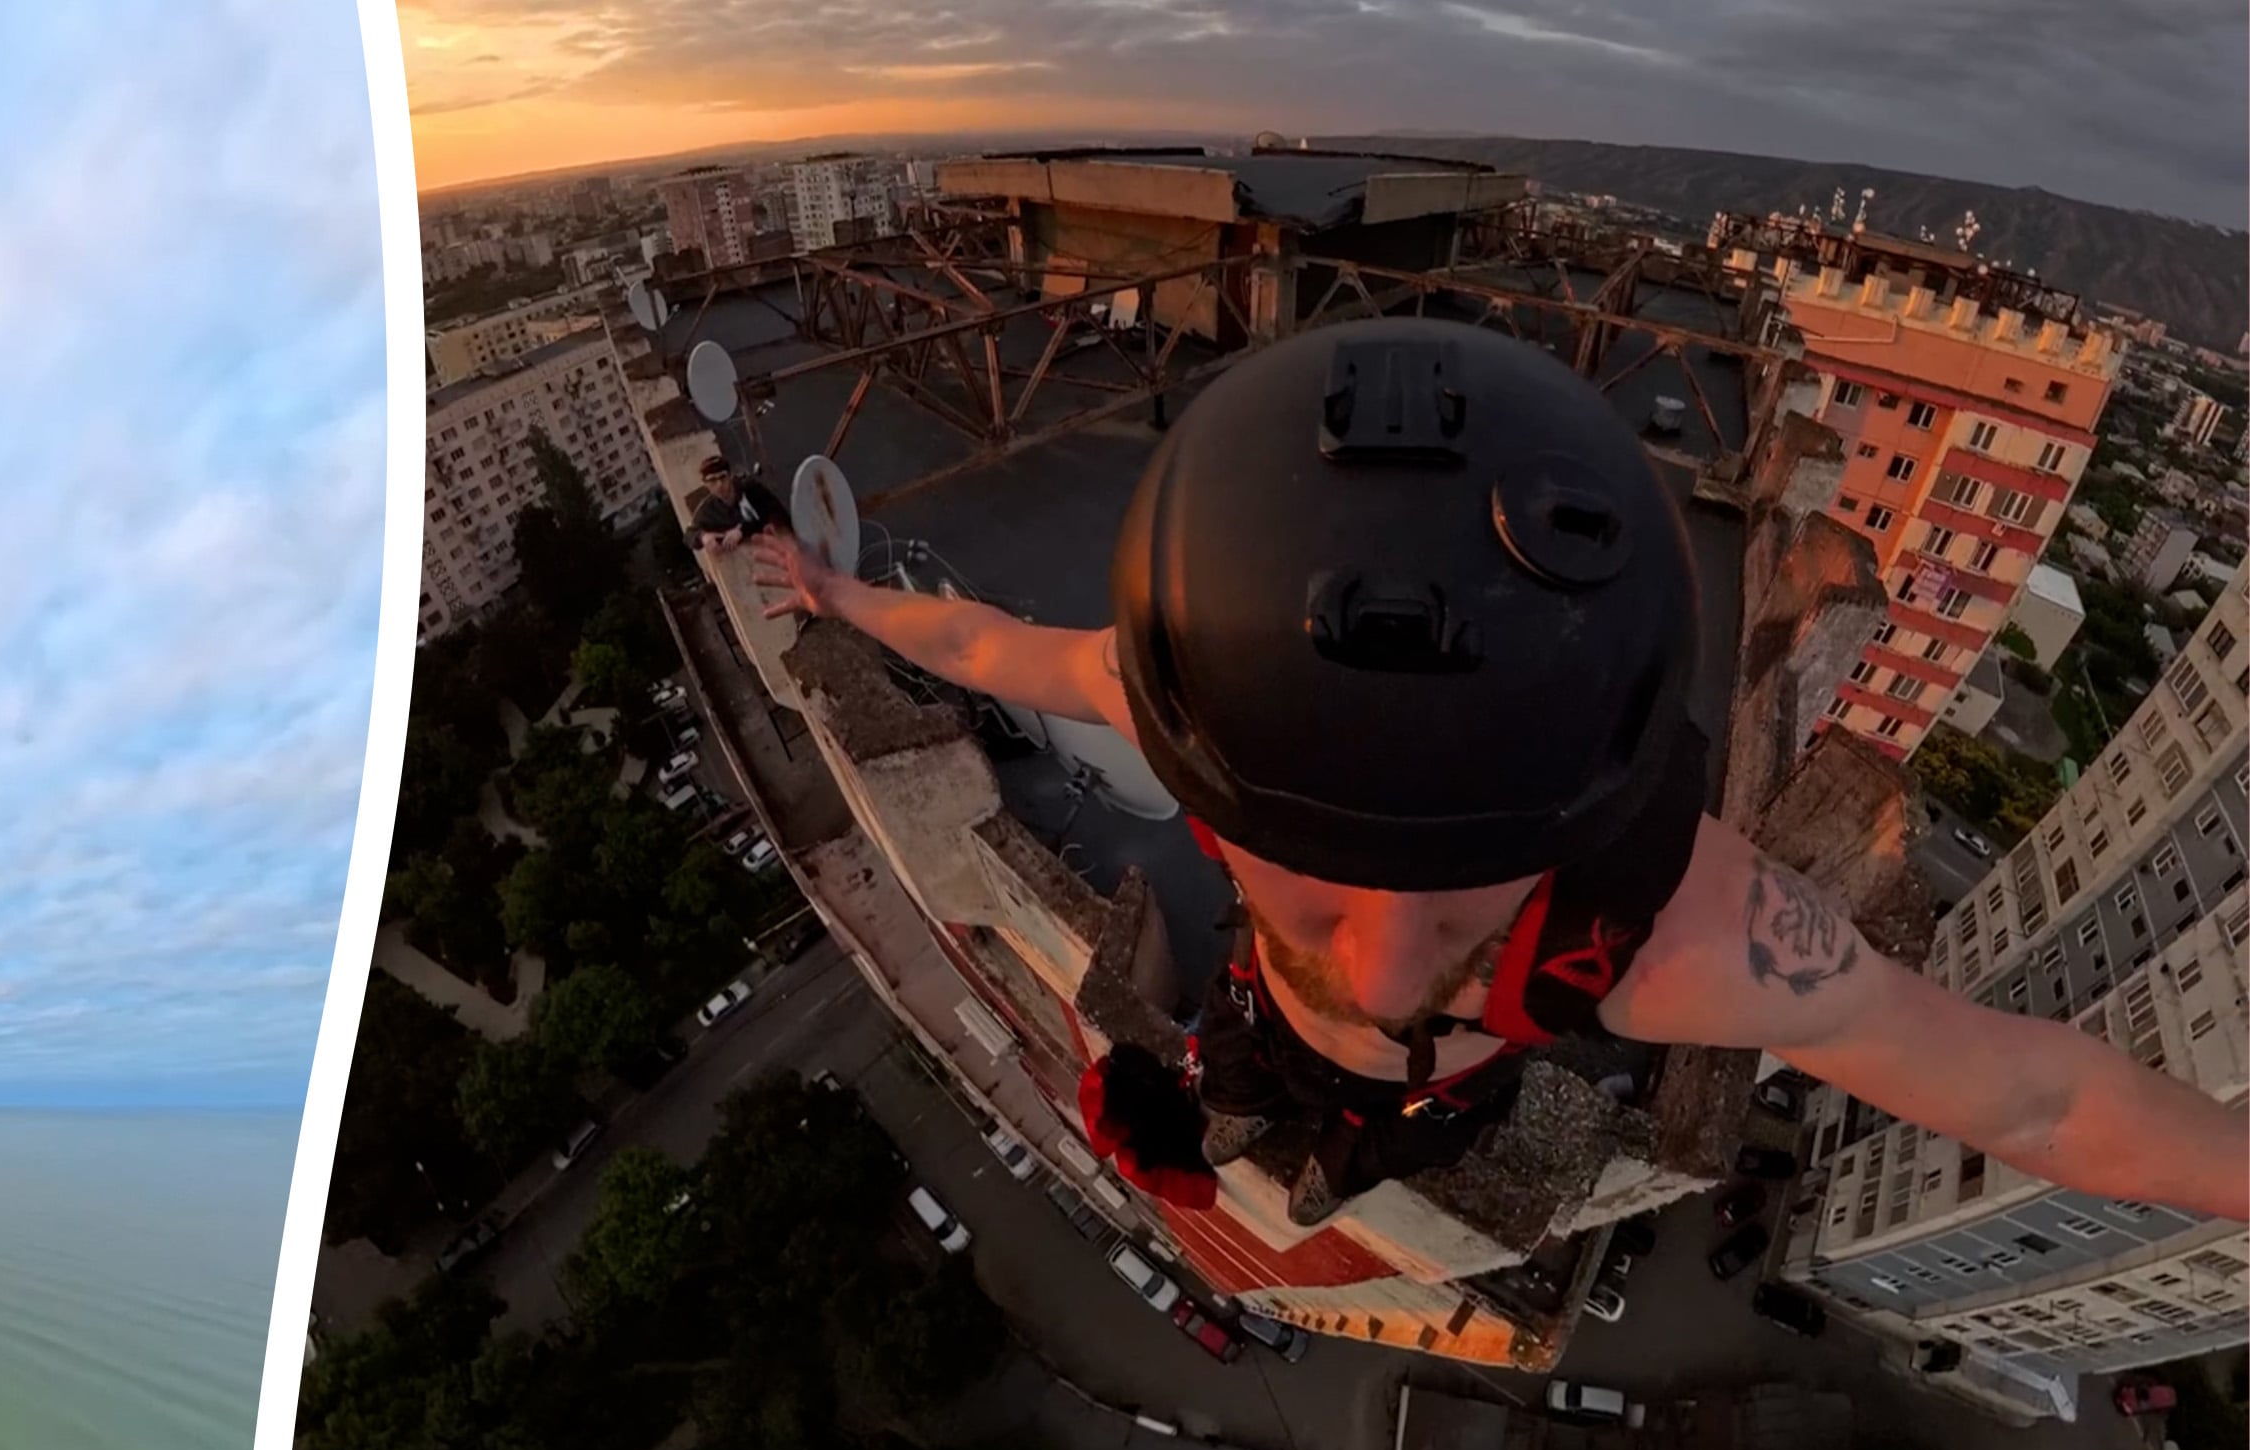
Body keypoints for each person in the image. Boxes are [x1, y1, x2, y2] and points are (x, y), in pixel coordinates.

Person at [748, 319, 2247, 1229]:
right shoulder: (1205, 719)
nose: (1393, 969)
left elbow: (2036, 1102)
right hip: (1279, 1031)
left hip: (1439, 1101)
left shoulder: (1666, 929)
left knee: (1366, 1136)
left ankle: (1327, 1148)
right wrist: (839, 595)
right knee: (1263, 1082)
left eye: (1468, 892)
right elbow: (980, 643)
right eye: (1329, 872)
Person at [690, 451, 788, 551]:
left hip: (776, 545)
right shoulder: (707, 509)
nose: (719, 485)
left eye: (723, 477)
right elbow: (689, 534)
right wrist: (703, 537)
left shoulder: (750, 489)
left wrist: (742, 530)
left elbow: (776, 514)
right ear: (705, 483)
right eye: (712, 480)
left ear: (730, 476)